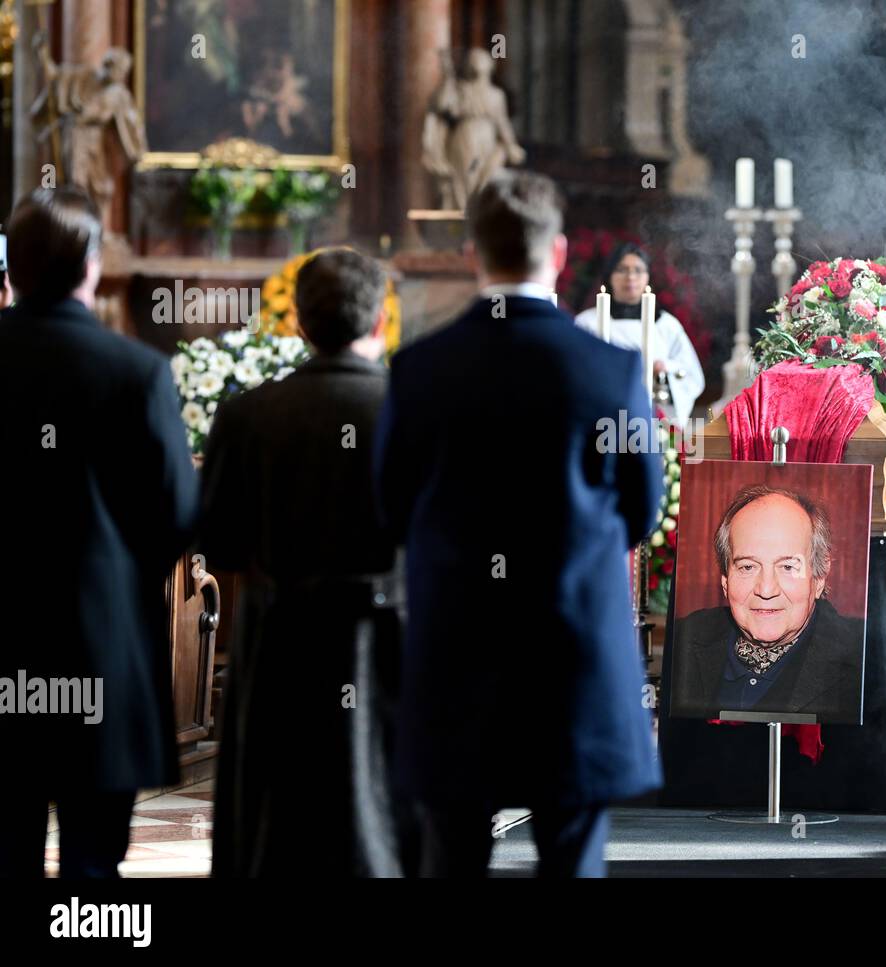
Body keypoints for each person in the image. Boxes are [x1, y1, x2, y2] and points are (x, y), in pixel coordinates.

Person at [374, 170, 663, 878]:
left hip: (456, 651)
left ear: (473, 252)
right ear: (559, 254)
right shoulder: (610, 371)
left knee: (451, 858)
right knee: (572, 860)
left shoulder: (418, 369)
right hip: (573, 652)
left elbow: (391, 506)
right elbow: (641, 509)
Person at [0, 187, 198, 877]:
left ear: (11, 269)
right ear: (89, 262)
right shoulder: (137, 370)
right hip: (101, 646)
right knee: (92, 865)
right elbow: (177, 514)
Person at [199, 248, 402, 877]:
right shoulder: (415, 412)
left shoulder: (246, 414)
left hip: (280, 644)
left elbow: (222, 546)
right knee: (378, 810)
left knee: (277, 822)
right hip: (388, 642)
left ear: (300, 325)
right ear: (378, 322)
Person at [669, 485, 865, 724]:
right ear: (725, 581)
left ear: (819, 577)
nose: (766, 589)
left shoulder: (864, 662)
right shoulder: (682, 642)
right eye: (748, 567)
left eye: (787, 567)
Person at [573, 242, 706, 423]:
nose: (630, 277)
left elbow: (692, 377)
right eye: (622, 269)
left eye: (638, 270)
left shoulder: (665, 324)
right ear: (609, 275)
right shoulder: (587, 323)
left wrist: (664, 370)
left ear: (648, 276)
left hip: (650, 421)